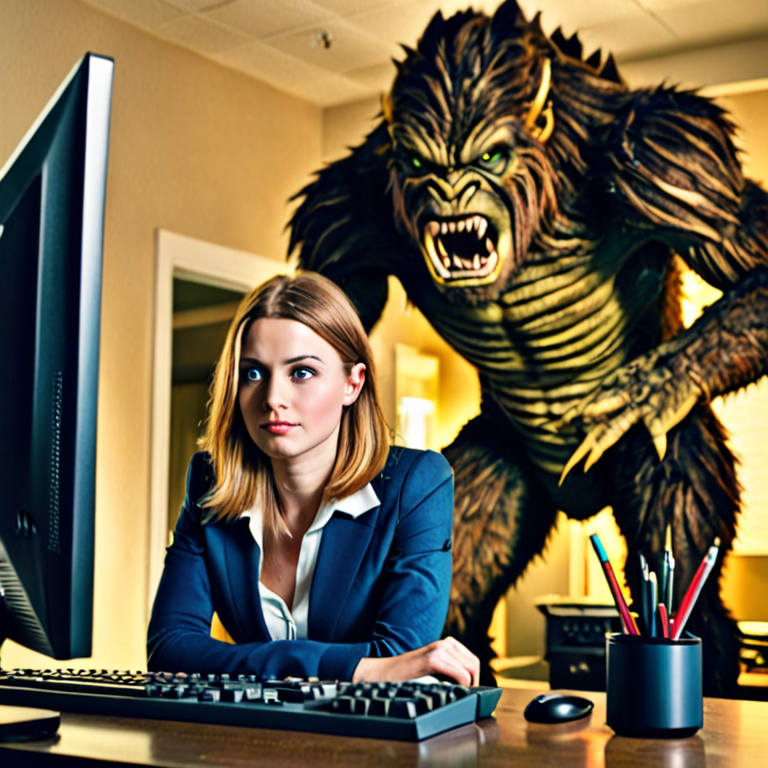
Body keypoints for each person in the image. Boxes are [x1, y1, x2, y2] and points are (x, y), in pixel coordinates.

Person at [147, 272, 479, 685]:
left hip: (373, 742)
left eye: (301, 372)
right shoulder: (209, 484)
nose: (272, 398)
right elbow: (169, 649)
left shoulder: (418, 484)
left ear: (352, 384)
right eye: (253, 373)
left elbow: (402, 660)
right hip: (250, 742)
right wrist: (357, 667)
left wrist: (239, 662)